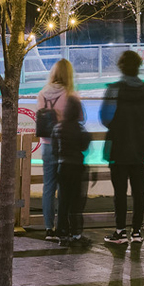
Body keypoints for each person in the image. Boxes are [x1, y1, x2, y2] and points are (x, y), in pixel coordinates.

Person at [99, 50, 144, 245]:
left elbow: (105, 117)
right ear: (139, 66)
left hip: (118, 146)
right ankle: (137, 231)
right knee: (139, 191)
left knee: (120, 192)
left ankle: (120, 231)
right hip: (140, 147)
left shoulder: (114, 90)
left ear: (121, 67)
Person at [35, 59, 76, 237]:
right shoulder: (69, 95)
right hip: (64, 145)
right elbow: (79, 117)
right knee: (65, 188)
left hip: (46, 143)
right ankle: (63, 226)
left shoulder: (42, 93)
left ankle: (48, 227)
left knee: (48, 187)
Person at [55, 91, 93, 245]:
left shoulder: (58, 128)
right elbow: (84, 146)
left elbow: (54, 150)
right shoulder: (80, 129)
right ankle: (76, 234)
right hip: (77, 168)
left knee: (63, 201)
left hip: (62, 167)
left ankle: (62, 234)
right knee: (76, 203)